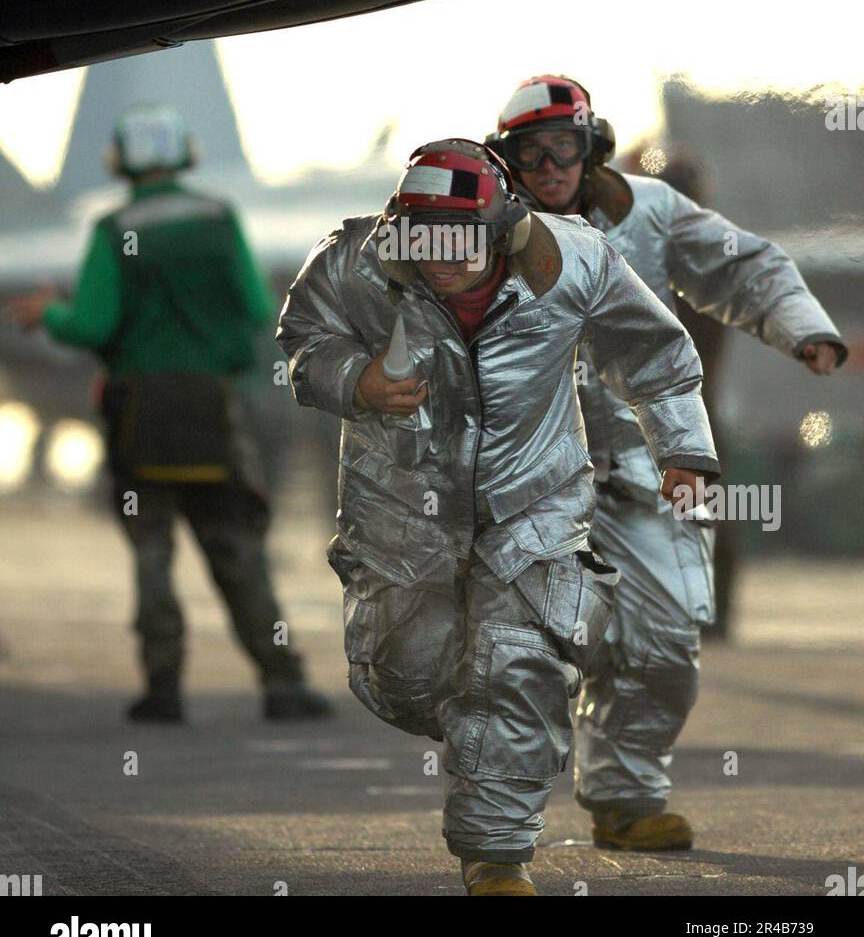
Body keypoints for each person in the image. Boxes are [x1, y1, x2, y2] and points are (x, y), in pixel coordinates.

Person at [277, 136, 719, 895]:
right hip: (402, 522)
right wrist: (355, 380)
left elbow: (653, 352)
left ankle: (497, 859)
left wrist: (684, 451)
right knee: (408, 673)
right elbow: (294, 348)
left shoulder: (574, 261)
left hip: (536, 511)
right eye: (421, 240)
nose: (439, 261)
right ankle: (482, 737)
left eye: (458, 240)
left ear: (502, 230)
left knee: (518, 666)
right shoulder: (353, 264)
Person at [488, 75, 847, 851]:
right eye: (530, 152)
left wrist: (801, 328)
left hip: (645, 466)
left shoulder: (648, 213)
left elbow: (745, 264)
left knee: (662, 647)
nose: (549, 167)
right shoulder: (482, 228)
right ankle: (495, 841)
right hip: (521, 476)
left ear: (593, 150)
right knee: (519, 658)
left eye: (565, 149)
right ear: (507, 160)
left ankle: (623, 800)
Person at [7, 104, 330, 723]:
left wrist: (49, 313)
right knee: (238, 550)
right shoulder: (218, 218)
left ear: (121, 161)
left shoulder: (114, 228)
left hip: (140, 415)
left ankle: (163, 690)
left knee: (152, 554)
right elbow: (258, 306)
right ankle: (282, 682)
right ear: (183, 153)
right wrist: (225, 362)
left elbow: (94, 324)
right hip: (211, 408)